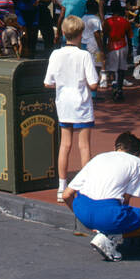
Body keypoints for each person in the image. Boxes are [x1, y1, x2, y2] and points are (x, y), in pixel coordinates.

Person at [62, 131, 140, 261]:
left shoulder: (98, 157)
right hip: (107, 213)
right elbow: (125, 201)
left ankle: (106, 233)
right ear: (137, 154)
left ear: (115, 148)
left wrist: (84, 219)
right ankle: (111, 237)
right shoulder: (138, 163)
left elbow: (66, 195)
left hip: (83, 211)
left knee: (104, 217)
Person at [44, 15, 99, 200]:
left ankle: (62, 186)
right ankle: (85, 186)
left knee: (64, 144)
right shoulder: (84, 55)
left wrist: (62, 83)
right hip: (81, 103)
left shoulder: (55, 54)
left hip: (63, 102)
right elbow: (93, 84)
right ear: (81, 34)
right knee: (84, 146)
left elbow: (48, 82)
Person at [103, 0, 133, 101]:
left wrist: (103, 48)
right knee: (121, 69)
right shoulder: (125, 22)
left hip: (111, 46)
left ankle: (114, 87)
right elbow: (129, 37)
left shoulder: (107, 22)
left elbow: (105, 36)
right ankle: (120, 88)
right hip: (123, 46)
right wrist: (130, 50)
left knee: (112, 69)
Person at [80, 0, 105, 88]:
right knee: (96, 68)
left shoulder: (83, 18)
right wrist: (102, 49)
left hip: (84, 44)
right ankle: (94, 92)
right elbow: (97, 35)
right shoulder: (95, 19)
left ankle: (87, 89)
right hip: (94, 45)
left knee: (86, 67)